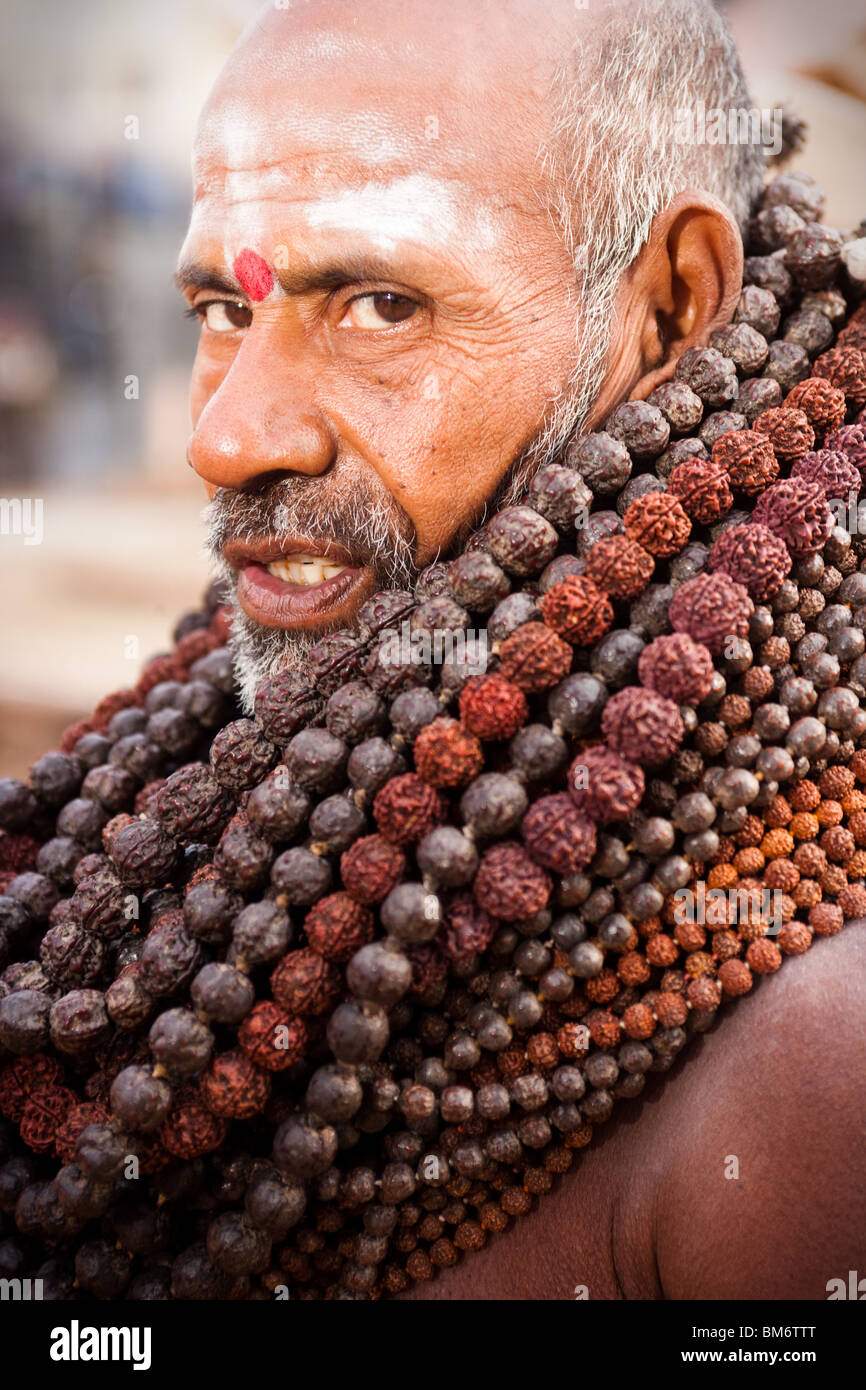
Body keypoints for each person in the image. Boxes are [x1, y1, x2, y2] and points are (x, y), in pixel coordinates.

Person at [167, 0, 865, 1299]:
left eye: (379, 303)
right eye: (222, 302)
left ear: (667, 308)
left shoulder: (810, 1090)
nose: (224, 435)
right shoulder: (187, 783)